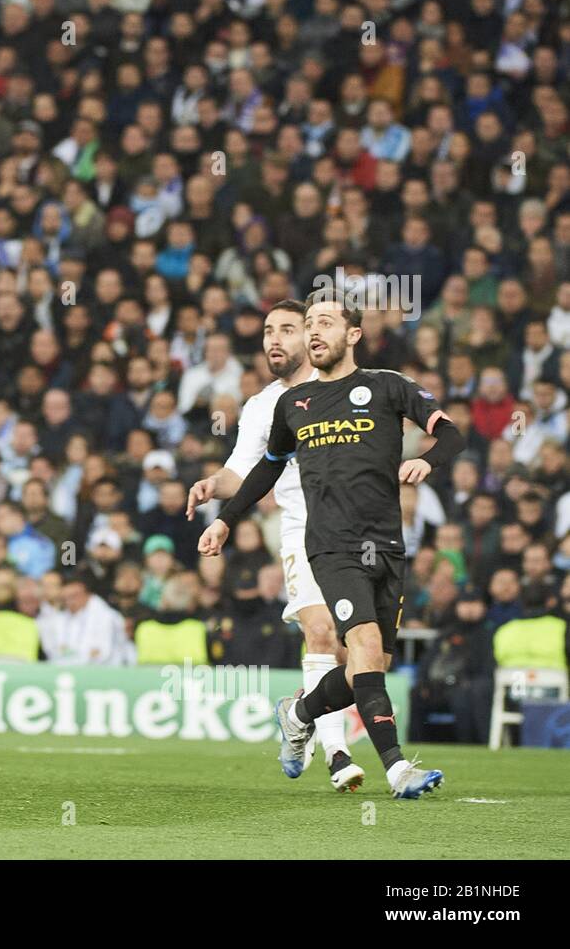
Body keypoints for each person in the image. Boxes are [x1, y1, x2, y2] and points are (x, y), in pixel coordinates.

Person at [200, 288, 466, 799]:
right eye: (311, 324)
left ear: (353, 334)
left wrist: (428, 461)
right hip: (329, 547)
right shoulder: (291, 404)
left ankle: (298, 711)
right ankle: (396, 768)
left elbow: (451, 433)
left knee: (366, 666)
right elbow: (265, 471)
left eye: (325, 323)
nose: (315, 332)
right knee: (361, 644)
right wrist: (227, 519)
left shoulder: (388, 387)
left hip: (387, 546)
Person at [186, 300, 361, 791]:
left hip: (356, 530)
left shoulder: (348, 389)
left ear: (312, 337)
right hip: (301, 527)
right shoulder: (263, 405)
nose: (275, 340)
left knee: (360, 657)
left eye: (288, 329)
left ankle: (300, 714)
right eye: (268, 331)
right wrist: (211, 486)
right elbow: (241, 472)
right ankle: (338, 755)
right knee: (321, 631)